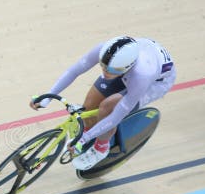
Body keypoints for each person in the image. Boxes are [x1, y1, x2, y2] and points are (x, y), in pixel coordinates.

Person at [29, 35, 176, 170]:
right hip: (134, 65)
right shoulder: (105, 50)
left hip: (154, 84)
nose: (105, 72)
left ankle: (101, 148)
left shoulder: (142, 75)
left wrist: (84, 139)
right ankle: (90, 131)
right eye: (103, 67)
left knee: (108, 107)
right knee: (89, 105)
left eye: (110, 70)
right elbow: (74, 71)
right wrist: (48, 97)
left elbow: (117, 115)